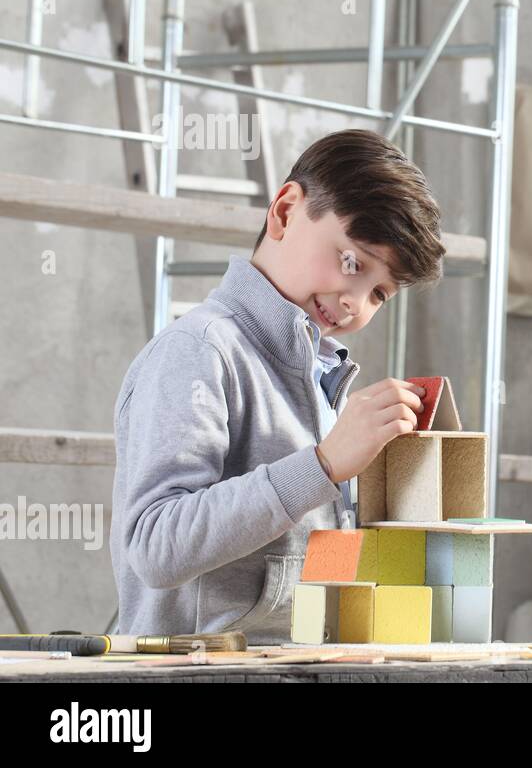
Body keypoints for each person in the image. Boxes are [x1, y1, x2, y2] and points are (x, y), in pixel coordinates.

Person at [110, 129, 445, 643]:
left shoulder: (321, 377)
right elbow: (155, 548)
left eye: (379, 292)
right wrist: (325, 465)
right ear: (285, 212)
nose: (355, 302)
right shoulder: (198, 352)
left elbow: (303, 561)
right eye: (351, 261)